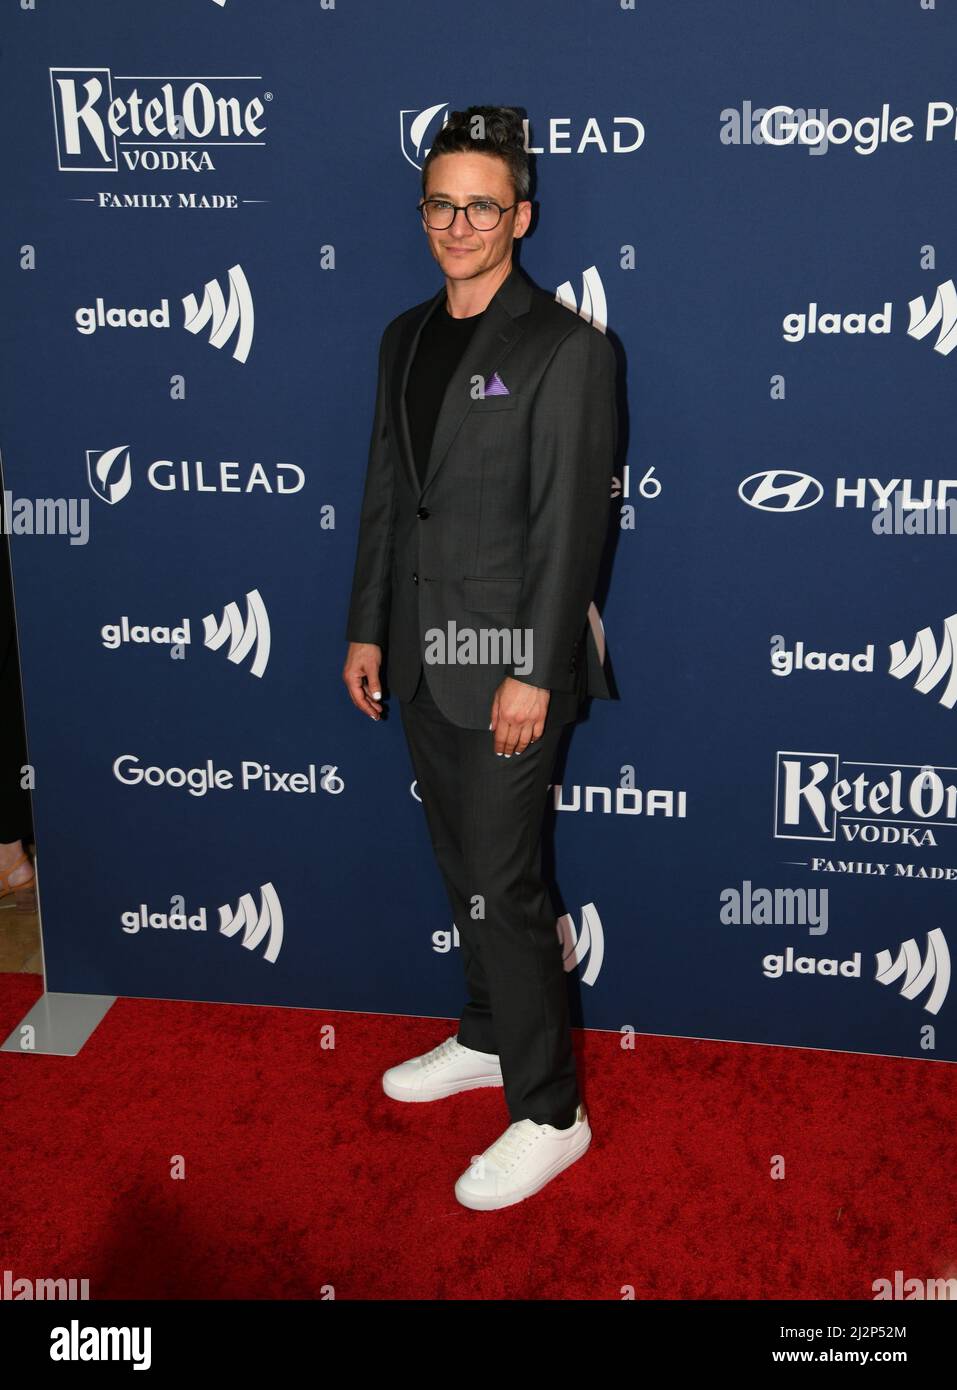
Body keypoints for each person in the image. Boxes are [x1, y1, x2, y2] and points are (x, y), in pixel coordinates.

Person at [342, 105, 618, 1210]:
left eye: (482, 206)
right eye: (442, 205)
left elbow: (569, 531)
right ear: (424, 215)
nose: (460, 223)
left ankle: (551, 1110)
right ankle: (488, 1035)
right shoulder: (402, 336)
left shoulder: (567, 348)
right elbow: (385, 500)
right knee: (464, 871)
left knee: (506, 885)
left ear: (522, 217)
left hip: (510, 663)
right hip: (418, 652)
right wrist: (367, 624)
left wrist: (536, 669)